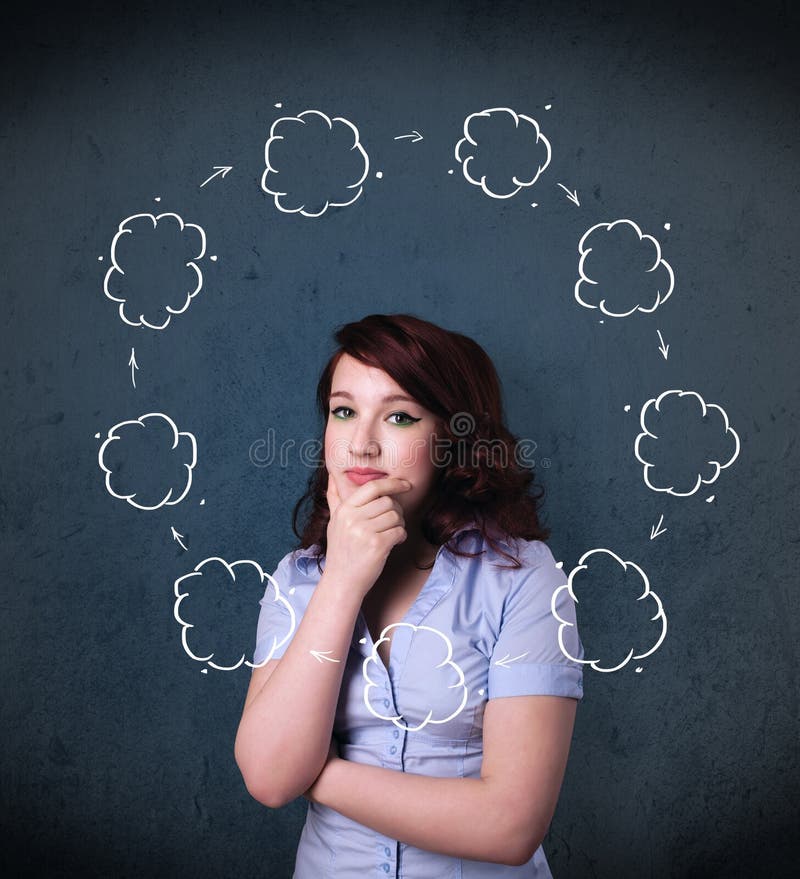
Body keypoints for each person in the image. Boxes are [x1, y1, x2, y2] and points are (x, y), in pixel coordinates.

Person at [235, 313, 584, 878]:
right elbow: (270, 781)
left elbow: (510, 826)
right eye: (344, 411)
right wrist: (343, 580)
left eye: (399, 416)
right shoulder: (297, 579)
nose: (362, 444)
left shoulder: (523, 577)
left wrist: (320, 774)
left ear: (452, 440)